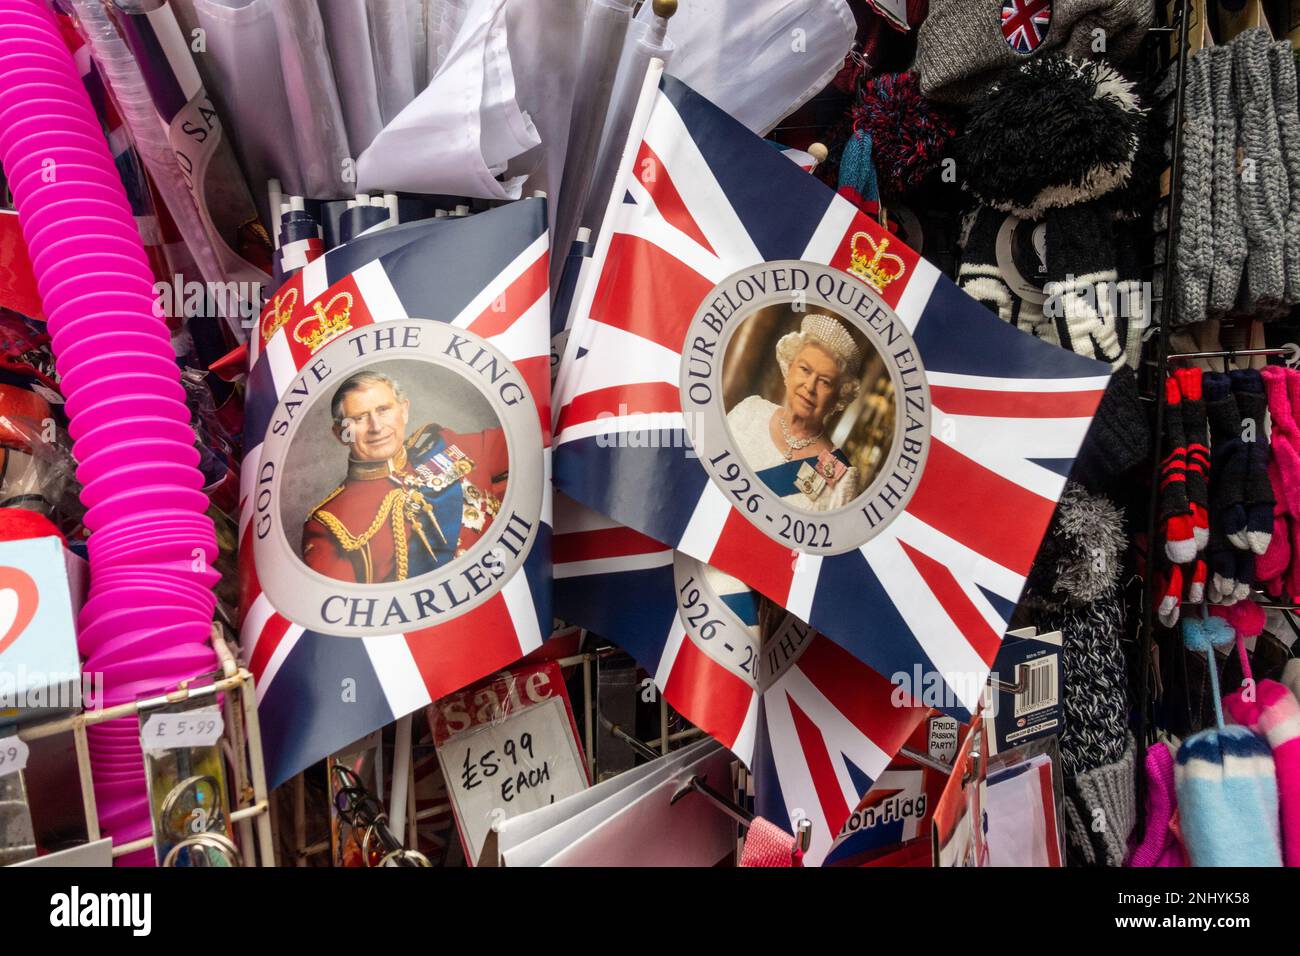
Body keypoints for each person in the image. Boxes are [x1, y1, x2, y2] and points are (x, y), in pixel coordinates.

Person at [301, 370, 508, 584]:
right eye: (359, 418)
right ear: (340, 433)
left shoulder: (447, 445)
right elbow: (347, 612)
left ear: (404, 411)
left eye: (383, 410)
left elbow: (529, 434)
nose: (377, 427)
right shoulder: (328, 523)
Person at [725, 314, 863, 511]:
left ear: (839, 398)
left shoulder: (841, 479)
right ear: (789, 370)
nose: (810, 386)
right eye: (805, 370)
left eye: (825, 381)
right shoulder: (750, 411)